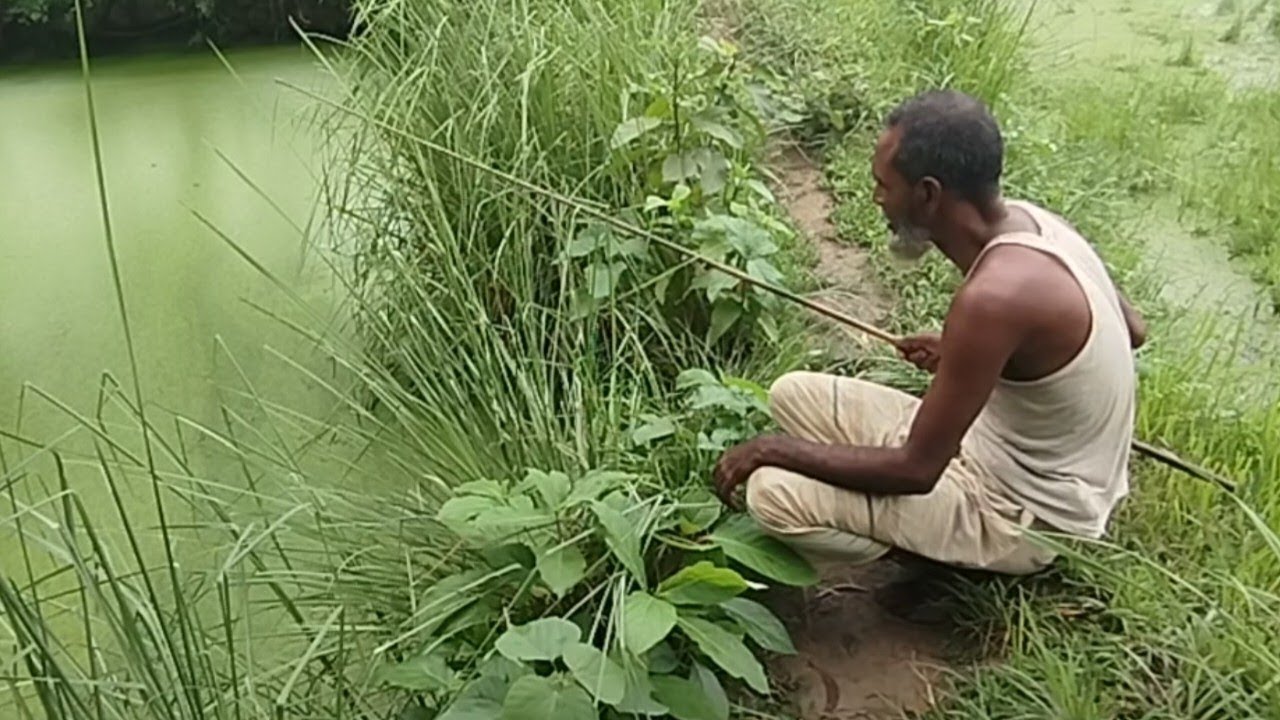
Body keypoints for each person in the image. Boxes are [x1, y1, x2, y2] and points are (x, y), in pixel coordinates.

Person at [711, 89, 1146, 592]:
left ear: (928, 195)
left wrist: (771, 449)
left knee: (772, 493)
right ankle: (924, 533)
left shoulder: (992, 300)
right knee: (790, 392)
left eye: (883, 185)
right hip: (992, 446)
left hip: (1019, 514)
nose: (876, 199)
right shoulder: (1039, 224)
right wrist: (984, 357)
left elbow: (916, 471)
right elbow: (1134, 330)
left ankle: (938, 564)